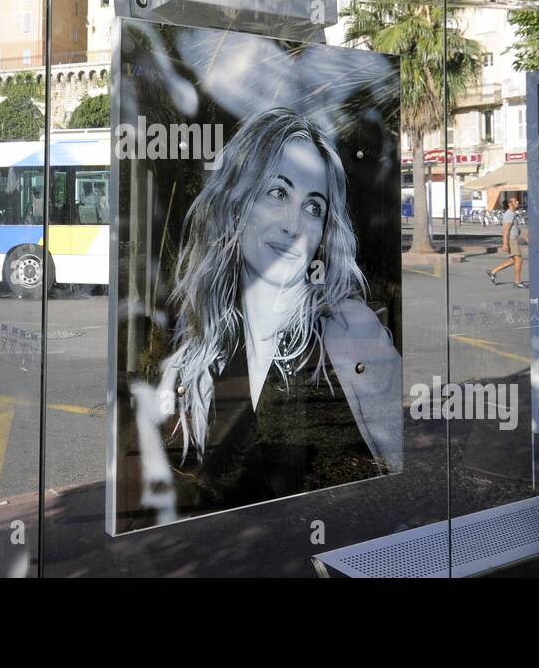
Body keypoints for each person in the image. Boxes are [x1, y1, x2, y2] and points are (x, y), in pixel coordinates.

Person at [133, 107, 402, 522]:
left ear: (324, 231)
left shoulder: (349, 331)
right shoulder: (204, 352)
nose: (293, 224)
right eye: (278, 193)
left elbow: (397, 465)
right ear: (238, 203)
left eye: (313, 207)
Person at [488, 194, 529, 288]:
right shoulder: (509, 214)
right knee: (519, 259)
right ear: (510, 204)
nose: (518, 202)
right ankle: (517, 282)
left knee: (513, 260)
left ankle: (493, 271)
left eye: (517, 201)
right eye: (515, 201)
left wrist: (525, 236)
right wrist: (505, 243)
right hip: (511, 240)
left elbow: (516, 229)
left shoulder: (512, 213)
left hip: (512, 239)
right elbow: (506, 230)